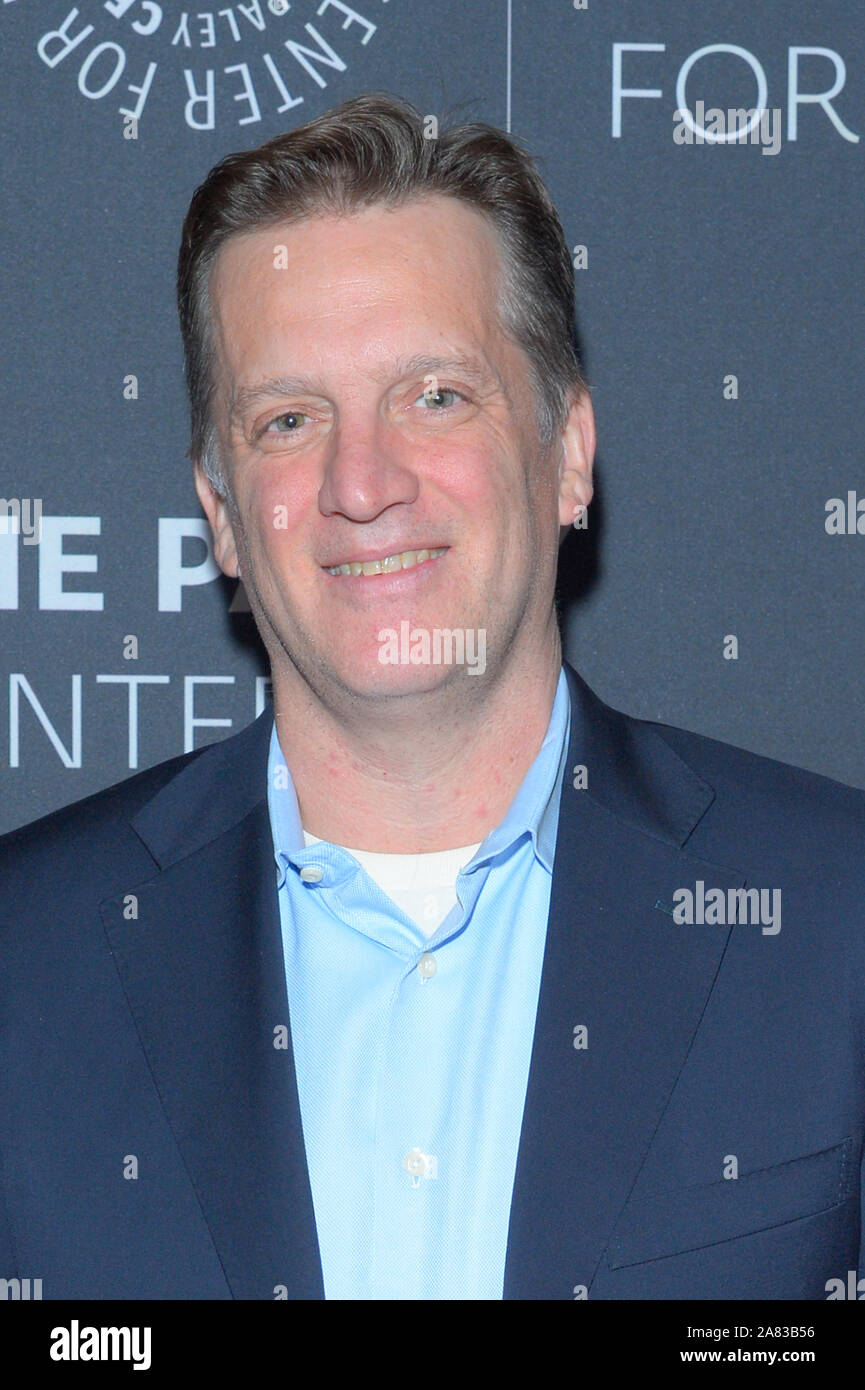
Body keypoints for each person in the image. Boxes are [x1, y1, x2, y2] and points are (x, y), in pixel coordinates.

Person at [1, 93, 862, 1302]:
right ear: (222, 513)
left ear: (568, 450)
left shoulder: (833, 923)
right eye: (290, 419)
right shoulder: (25, 969)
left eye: (437, 396)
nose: (363, 483)